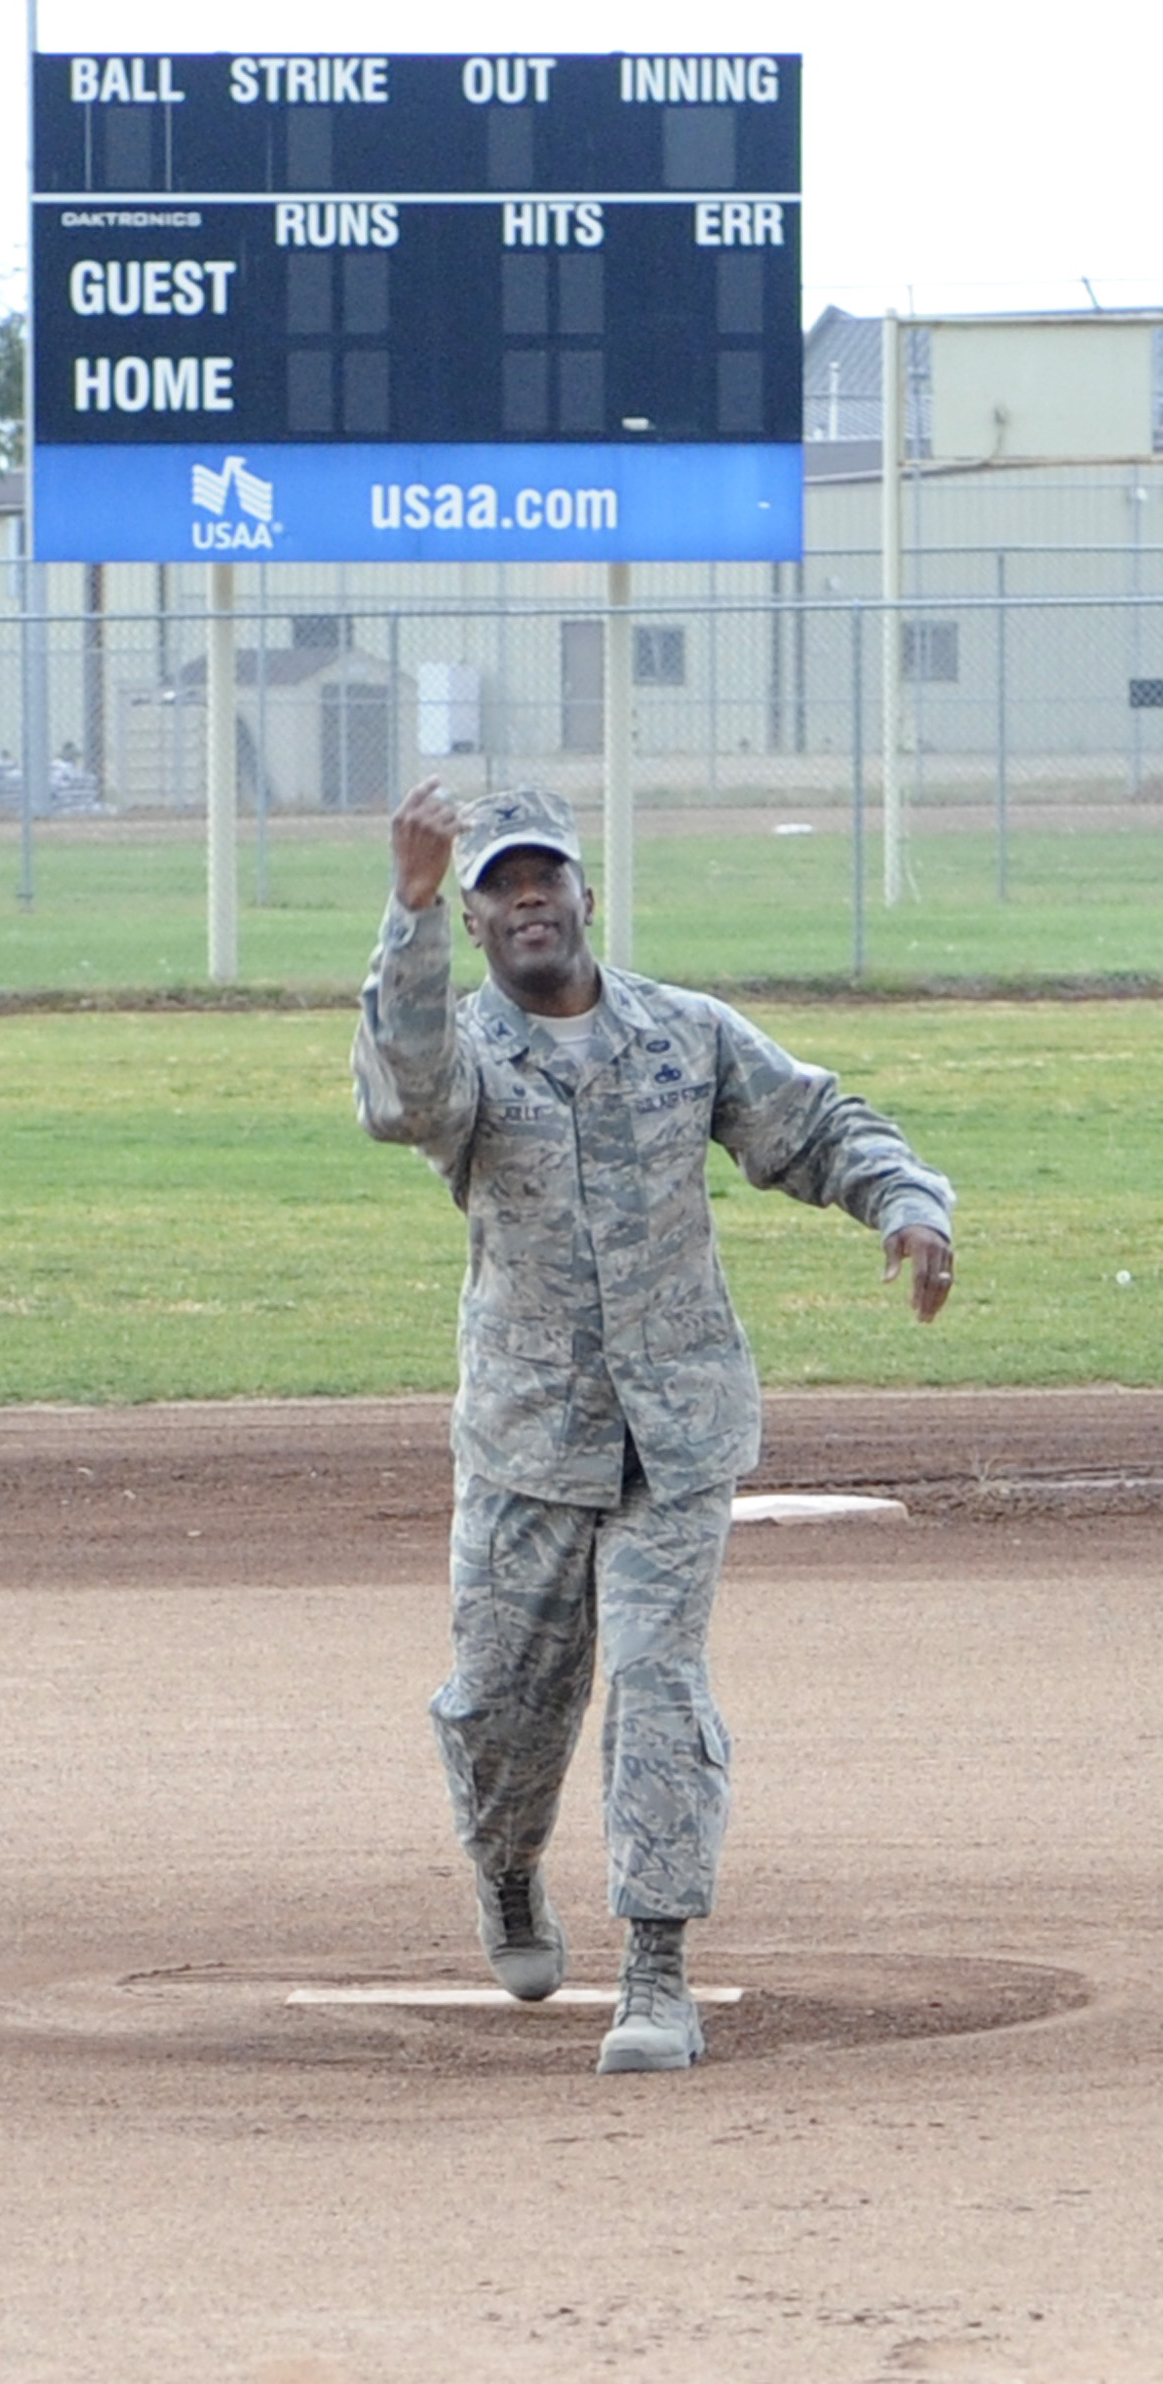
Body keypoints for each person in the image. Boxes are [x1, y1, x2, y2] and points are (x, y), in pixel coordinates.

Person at [352, 779, 955, 2074]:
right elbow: (402, 1098)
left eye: (545, 877)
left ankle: (655, 1974)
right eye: (500, 885)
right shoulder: (460, 1052)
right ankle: (509, 1869)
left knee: (656, 1685)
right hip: (527, 1438)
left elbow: (816, 1126)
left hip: (677, 1434)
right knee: (500, 1710)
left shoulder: (687, 1036)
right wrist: (402, 913)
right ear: (473, 922)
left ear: (584, 895)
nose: (528, 900)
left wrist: (907, 1201)